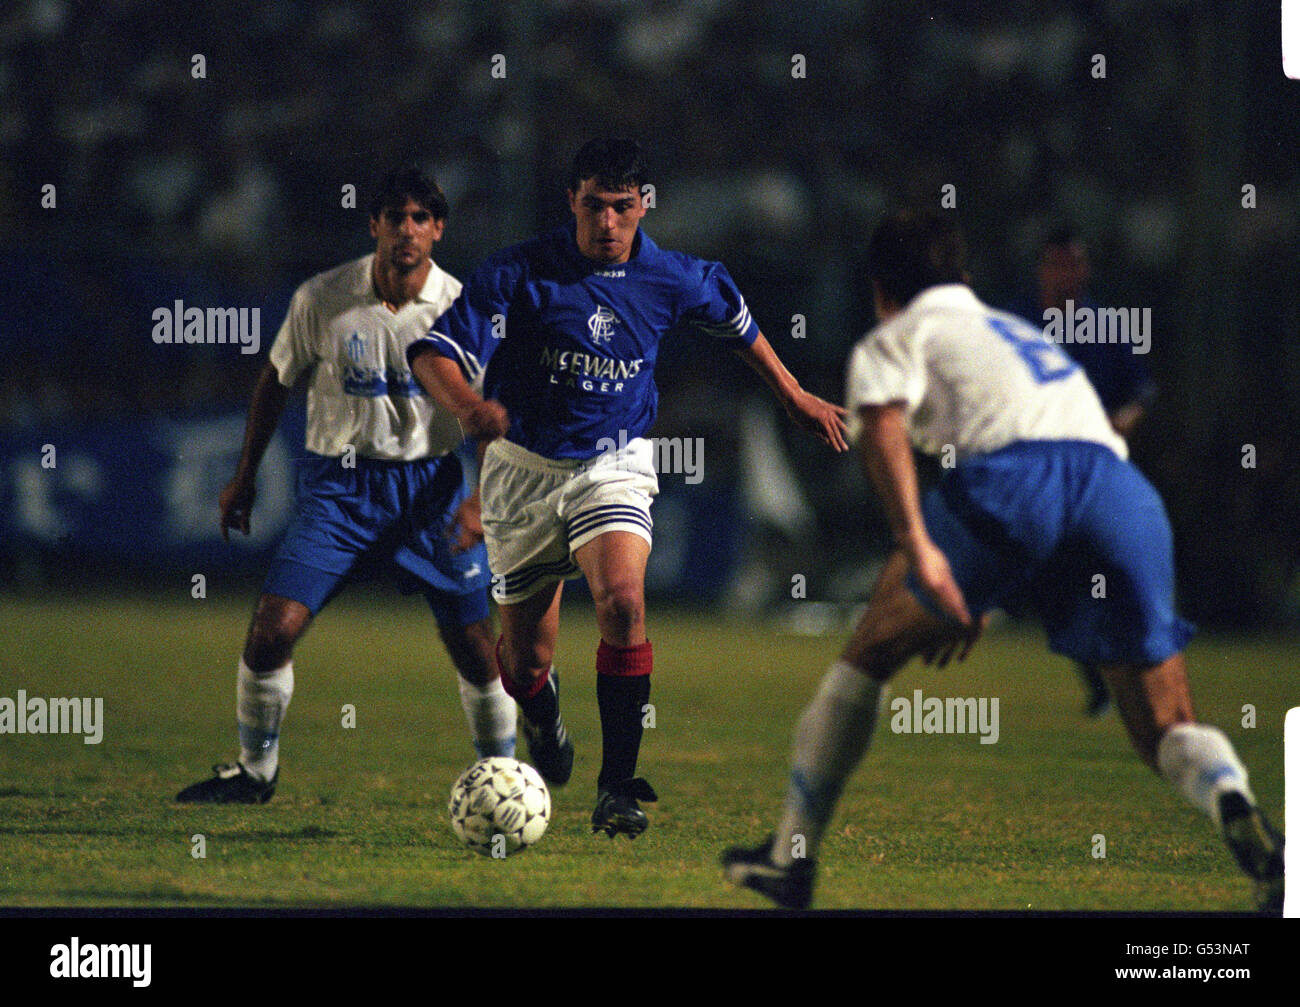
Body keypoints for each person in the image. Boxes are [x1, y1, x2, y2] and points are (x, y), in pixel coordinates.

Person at [722, 209, 1284, 910]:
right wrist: (983, 581)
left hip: (1018, 479)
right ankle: (1235, 801)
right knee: (1166, 724)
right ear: (962, 276)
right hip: (1123, 493)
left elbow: (887, 431)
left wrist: (922, 550)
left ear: (880, 288)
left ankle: (790, 857)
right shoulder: (1014, 329)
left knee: (865, 656)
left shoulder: (895, 336)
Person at [407, 138, 847, 838]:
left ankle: (617, 788)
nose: (607, 223)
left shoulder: (673, 275)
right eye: (593, 206)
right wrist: (467, 407)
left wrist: (794, 396)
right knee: (523, 662)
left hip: (613, 462)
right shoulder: (519, 271)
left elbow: (739, 323)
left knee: (623, 599)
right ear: (571, 203)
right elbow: (431, 352)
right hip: (522, 471)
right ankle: (543, 715)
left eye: (621, 207)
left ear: (644, 206)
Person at [177, 169, 515, 805]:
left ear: (439, 230)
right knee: (272, 630)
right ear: (374, 225)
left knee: (476, 647)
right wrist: (244, 476)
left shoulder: (461, 307)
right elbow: (277, 380)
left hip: (431, 490)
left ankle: (503, 776)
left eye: (421, 218)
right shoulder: (323, 297)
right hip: (340, 489)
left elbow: (493, 414)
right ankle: (255, 772)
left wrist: (479, 501)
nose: (406, 230)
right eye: (394, 216)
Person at [1007, 223, 1158, 716]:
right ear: (1042, 270)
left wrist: (1121, 425)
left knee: (1103, 573)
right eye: (1057, 263)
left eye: (1074, 263)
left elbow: (1141, 392)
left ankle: (1131, 669)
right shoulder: (1020, 323)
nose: (1066, 274)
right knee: (1053, 580)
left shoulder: (1106, 325)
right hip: (1038, 471)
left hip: (1095, 470)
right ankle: (1099, 675)